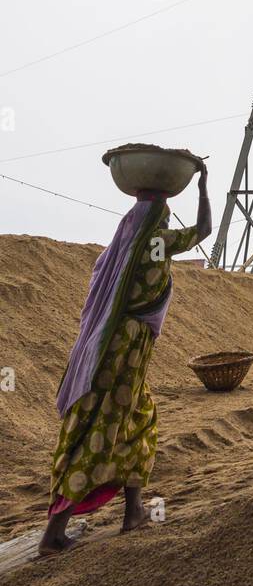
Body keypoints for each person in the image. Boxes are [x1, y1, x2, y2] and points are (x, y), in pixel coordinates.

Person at [39, 165, 212, 557]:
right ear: (158, 217)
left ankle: (133, 511)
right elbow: (202, 231)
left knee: (138, 418)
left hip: (108, 353)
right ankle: (53, 533)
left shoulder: (119, 251)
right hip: (124, 357)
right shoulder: (156, 243)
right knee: (102, 432)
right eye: (165, 211)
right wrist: (203, 187)